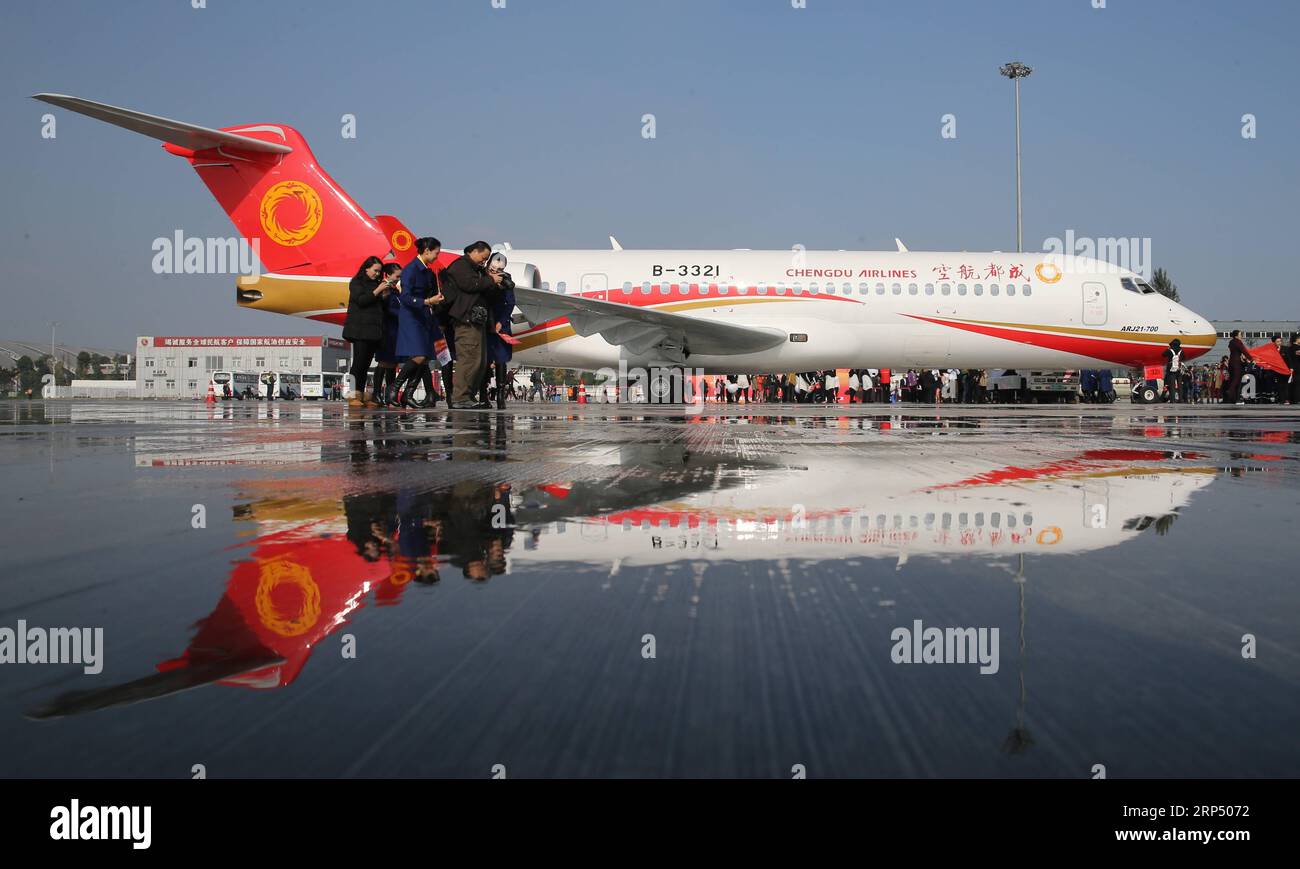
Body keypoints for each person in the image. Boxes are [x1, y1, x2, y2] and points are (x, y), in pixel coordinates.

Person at [442, 241, 502, 409]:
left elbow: (488, 293)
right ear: (474, 251)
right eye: (483, 258)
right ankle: (460, 397)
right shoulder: (460, 266)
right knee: (468, 359)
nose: (484, 261)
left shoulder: (478, 271)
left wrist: (496, 284)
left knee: (479, 360)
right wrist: (490, 280)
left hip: (477, 321)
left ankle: (468, 395)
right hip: (466, 319)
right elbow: (469, 285)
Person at [388, 238, 446, 408]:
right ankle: (394, 388)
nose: (437, 256)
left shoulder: (427, 271)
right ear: (426, 250)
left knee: (426, 356)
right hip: (412, 317)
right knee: (419, 355)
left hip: (424, 316)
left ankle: (408, 393)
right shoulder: (411, 270)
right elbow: (405, 297)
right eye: (436, 253)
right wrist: (427, 301)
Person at [342, 255, 390, 407]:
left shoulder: (376, 284)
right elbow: (362, 301)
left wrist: (385, 295)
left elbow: (380, 307)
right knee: (358, 363)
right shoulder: (357, 283)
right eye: (375, 270)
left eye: (379, 272)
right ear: (366, 268)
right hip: (360, 329)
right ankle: (352, 393)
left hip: (373, 331)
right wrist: (378, 291)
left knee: (366, 364)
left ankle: (361, 394)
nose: (377, 274)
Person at [481, 252, 516, 409]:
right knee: (484, 360)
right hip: (485, 322)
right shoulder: (482, 276)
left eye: (498, 270)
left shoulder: (506, 280)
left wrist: (501, 322)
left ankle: (501, 395)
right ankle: (483, 394)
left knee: (501, 359)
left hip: (502, 324)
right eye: (493, 269)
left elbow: (510, 302)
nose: (495, 272)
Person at [371, 263, 403, 405]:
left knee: (392, 363)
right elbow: (388, 309)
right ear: (388, 275)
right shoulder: (385, 290)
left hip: (395, 330)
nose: (398, 279)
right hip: (386, 330)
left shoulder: (395, 290)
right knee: (384, 362)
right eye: (397, 276)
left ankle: (390, 394)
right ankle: (376, 393)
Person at [1223, 329, 1253, 404]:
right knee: (1237, 380)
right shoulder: (1238, 342)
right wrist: (1251, 359)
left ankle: (1235, 399)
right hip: (1237, 363)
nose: (1241, 336)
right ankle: (1230, 392)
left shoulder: (1231, 342)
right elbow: (1244, 351)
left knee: (1233, 379)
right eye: (1240, 334)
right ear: (1236, 336)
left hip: (1231, 363)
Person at [1162, 338, 1184, 403]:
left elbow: (1163, 354)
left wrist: (1168, 349)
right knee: (1180, 385)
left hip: (1171, 370)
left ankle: (1172, 400)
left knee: (1172, 385)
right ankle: (1180, 399)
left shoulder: (1170, 350)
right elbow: (1184, 357)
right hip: (1179, 370)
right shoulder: (1181, 351)